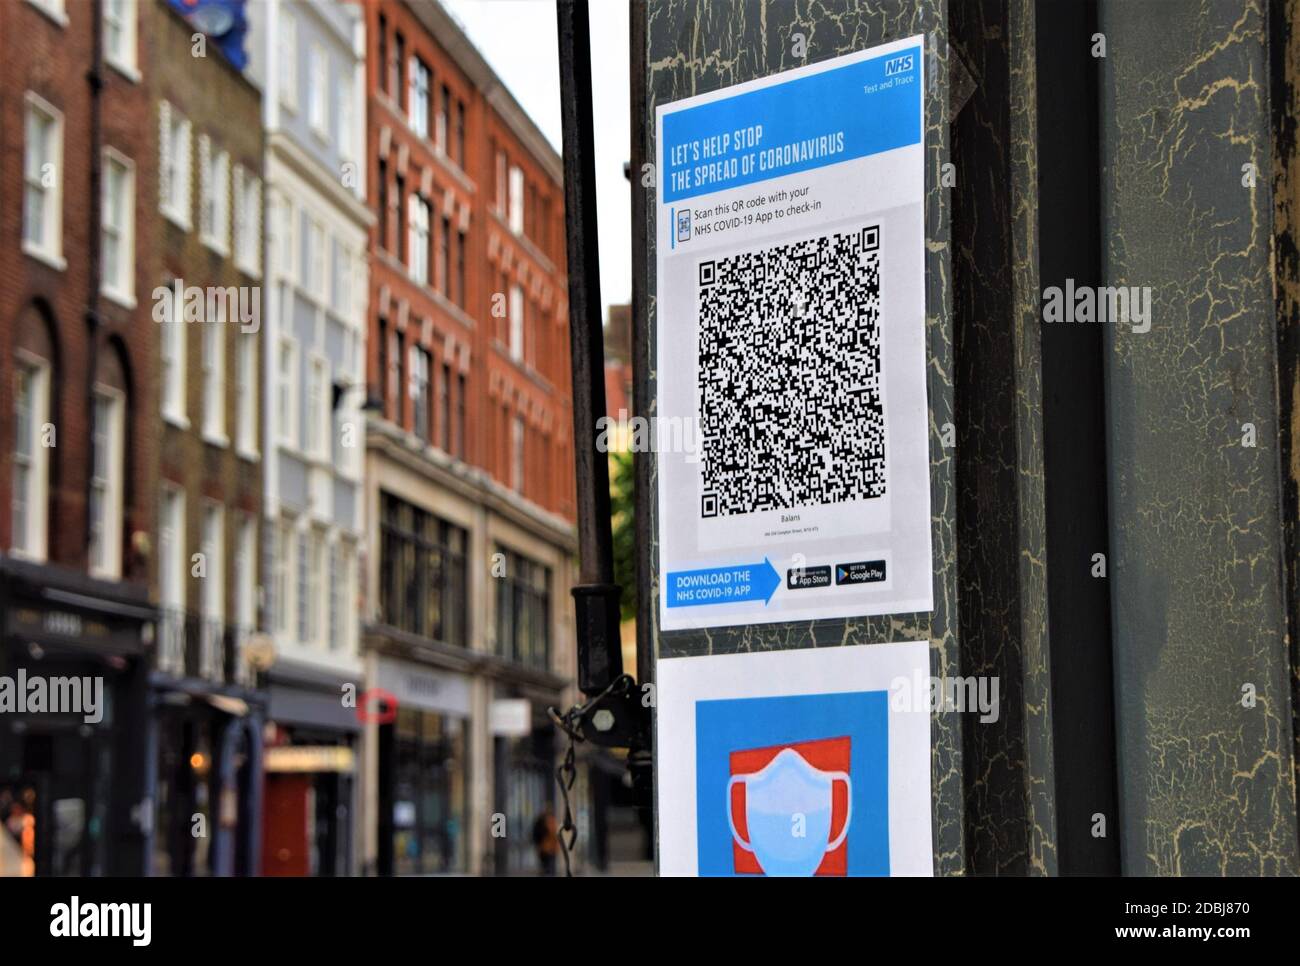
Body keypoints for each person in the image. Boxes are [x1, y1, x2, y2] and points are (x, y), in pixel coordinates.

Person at [532, 806, 559, 876]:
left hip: (548, 847)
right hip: (545, 847)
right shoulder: (545, 822)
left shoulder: (550, 821)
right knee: (547, 866)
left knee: (548, 866)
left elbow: (555, 834)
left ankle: (547, 873)